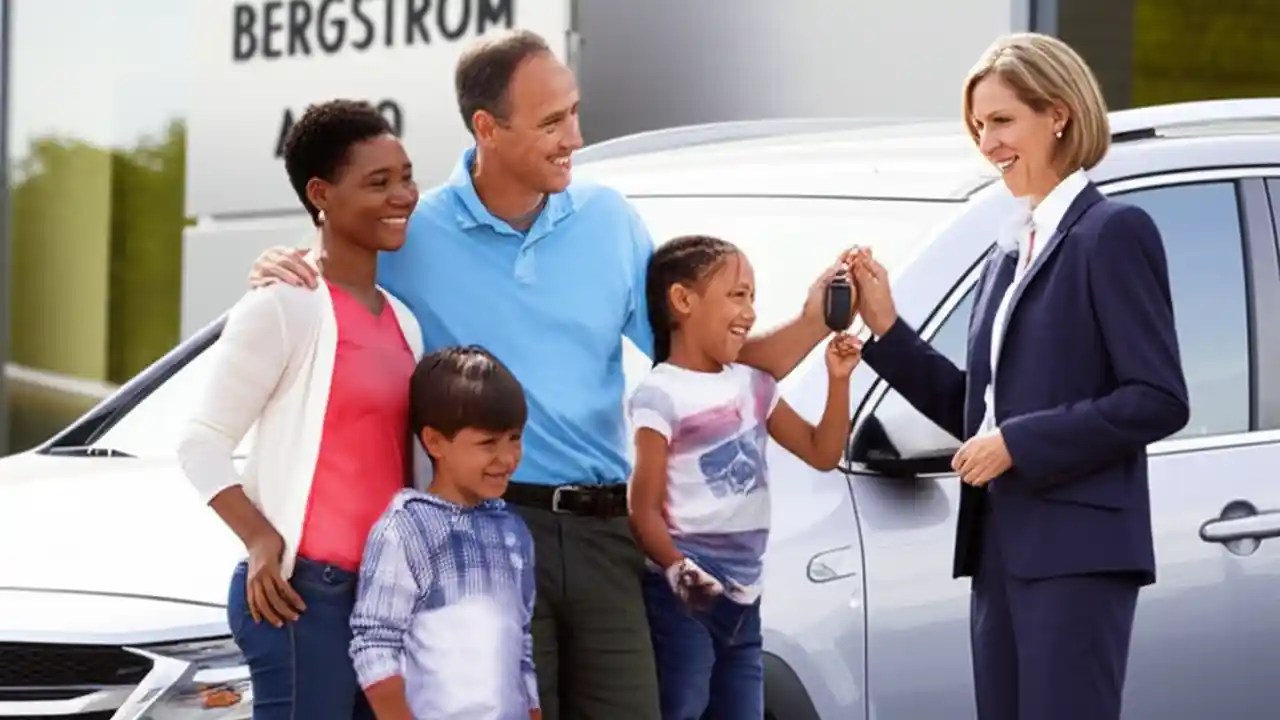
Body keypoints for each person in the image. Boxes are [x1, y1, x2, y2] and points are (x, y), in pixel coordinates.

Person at [247, 29, 849, 718]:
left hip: (604, 534)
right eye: (552, 121)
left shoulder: (609, 222)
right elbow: (329, 287)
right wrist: (282, 265)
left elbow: (702, 361)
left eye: (573, 112)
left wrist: (814, 319)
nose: (575, 136)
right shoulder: (413, 233)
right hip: (485, 533)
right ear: (486, 128)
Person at [849, 33, 1189, 720]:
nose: (987, 141)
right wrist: (886, 330)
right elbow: (976, 410)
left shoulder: (1114, 233)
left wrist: (1019, 443)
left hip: (1078, 552)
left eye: (1002, 120)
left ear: (1058, 114)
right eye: (978, 126)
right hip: (1001, 546)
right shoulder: (1012, 249)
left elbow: (1158, 399)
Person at [177, 100, 423, 718]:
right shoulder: (285, 305)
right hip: (301, 597)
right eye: (378, 182)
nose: (403, 195)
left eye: (405, 177)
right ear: (321, 194)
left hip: (384, 603)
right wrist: (260, 540)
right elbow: (201, 441)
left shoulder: (405, 322)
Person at [626, 235, 861, 719]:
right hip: (684, 597)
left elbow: (822, 451)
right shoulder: (658, 396)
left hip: (744, 599)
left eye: (752, 297)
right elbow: (641, 508)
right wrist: (680, 572)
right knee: (682, 709)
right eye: (737, 295)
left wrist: (839, 381)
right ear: (683, 300)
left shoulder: (755, 385)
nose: (750, 312)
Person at [350, 345, 540, 720]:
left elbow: (522, 644)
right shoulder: (405, 529)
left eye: (514, 438)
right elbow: (374, 644)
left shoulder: (514, 532)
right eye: (487, 443)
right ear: (435, 442)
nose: (507, 458)